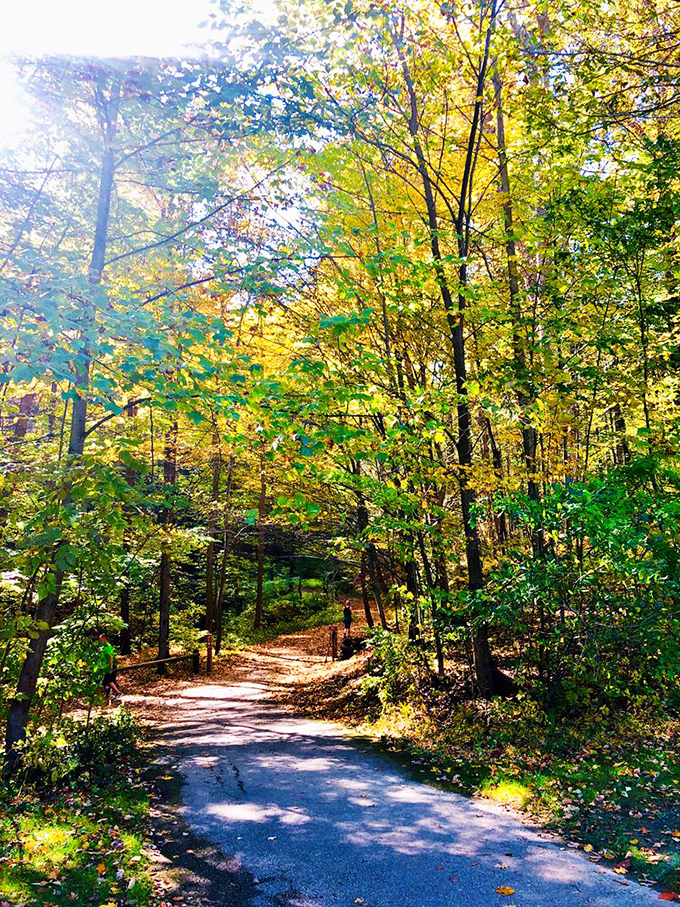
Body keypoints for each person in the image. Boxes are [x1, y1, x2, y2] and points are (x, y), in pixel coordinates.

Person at [98, 633, 122, 702]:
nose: (100, 640)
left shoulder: (108, 646)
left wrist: (110, 668)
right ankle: (107, 694)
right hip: (104, 666)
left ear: (104, 638)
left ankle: (118, 692)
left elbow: (110, 657)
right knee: (104, 681)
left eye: (101, 639)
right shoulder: (103, 646)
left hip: (108, 666)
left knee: (109, 680)